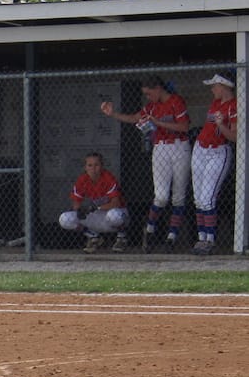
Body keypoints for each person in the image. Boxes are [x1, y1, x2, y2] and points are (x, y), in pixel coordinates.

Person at [101, 75, 189, 250]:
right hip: (161, 148)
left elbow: (184, 127)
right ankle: (149, 230)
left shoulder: (175, 101)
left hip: (179, 147)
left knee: (178, 196)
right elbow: (135, 118)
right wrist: (113, 114)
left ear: (158, 88)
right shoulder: (152, 106)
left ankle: (172, 237)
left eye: (149, 93)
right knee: (162, 196)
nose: (148, 97)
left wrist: (158, 123)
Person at [190, 72, 238, 255]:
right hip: (200, 149)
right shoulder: (216, 103)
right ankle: (201, 238)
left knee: (208, 198)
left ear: (224, 86)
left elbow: (234, 136)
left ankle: (210, 240)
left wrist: (221, 125)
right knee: (199, 199)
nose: (212, 89)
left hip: (218, 151)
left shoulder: (234, 105)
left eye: (215, 86)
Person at [59, 152, 129, 253]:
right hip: (95, 216)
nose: (93, 168)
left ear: (102, 166)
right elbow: (76, 203)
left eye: (97, 165)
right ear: (85, 167)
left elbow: (116, 204)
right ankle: (93, 237)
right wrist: (79, 210)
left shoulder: (108, 178)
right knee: (65, 219)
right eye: (90, 165)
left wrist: (97, 208)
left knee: (115, 215)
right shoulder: (82, 179)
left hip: (112, 216)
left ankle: (121, 238)